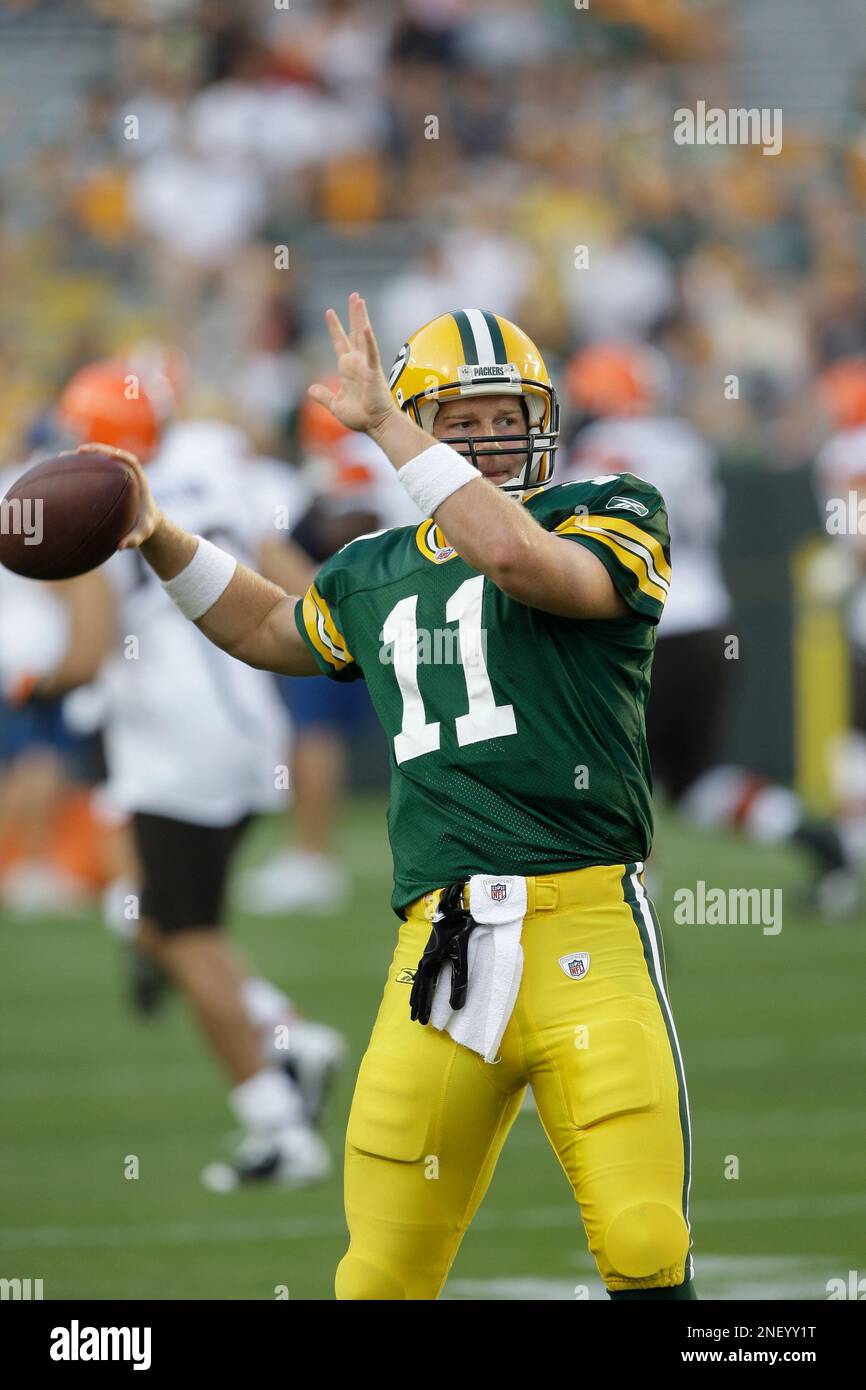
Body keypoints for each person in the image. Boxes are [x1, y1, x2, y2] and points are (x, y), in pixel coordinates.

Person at [109, 295, 695, 1300]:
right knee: (378, 1275)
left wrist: (389, 426)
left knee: (642, 1244)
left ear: (540, 417)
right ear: (426, 432)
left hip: (584, 929)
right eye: (458, 423)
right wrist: (158, 534)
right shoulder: (373, 570)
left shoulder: (609, 508)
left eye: (504, 415)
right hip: (440, 951)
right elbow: (269, 630)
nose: (490, 439)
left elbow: (517, 560)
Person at [43, 358, 346, 1190]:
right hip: (252, 726)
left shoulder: (98, 502)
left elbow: (91, 645)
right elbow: (289, 569)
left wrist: (40, 684)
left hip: (176, 742)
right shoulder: (214, 464)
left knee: (181, 932)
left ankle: (279, 1127)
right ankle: (286, 1033)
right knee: (144, 910)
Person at [564, 342, 858, 914]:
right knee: (697, 781)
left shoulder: (602, 448)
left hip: (644, 630)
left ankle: (634, 908)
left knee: (612, 775)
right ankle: (815, 837)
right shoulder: (685, 441)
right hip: (707, 621)